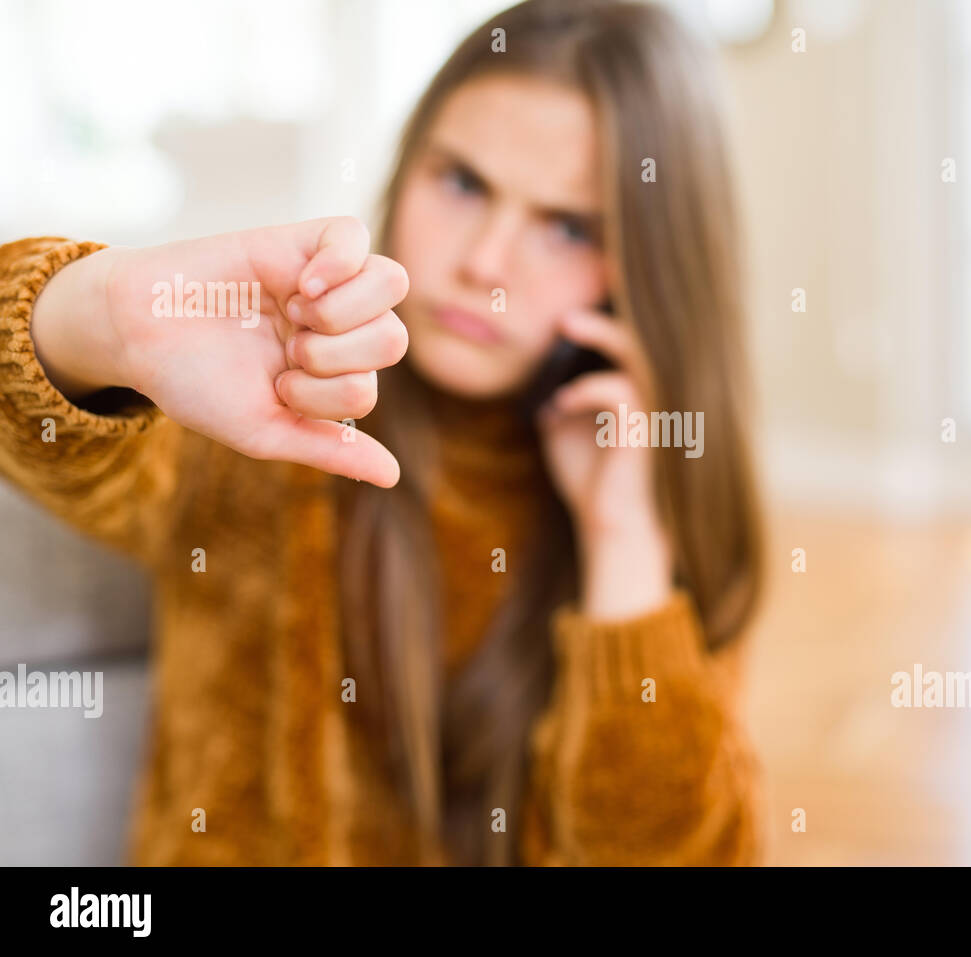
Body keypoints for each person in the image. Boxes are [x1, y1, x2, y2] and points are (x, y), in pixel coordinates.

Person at [0, 0, 766, 865]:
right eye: (464, 183)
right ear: (406, 168)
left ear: (649, 264)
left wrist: (623, 538)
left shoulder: (653, 485)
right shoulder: (275, 399)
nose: (486, 262)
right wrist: (99, 319)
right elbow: (59, 442)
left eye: (566, 227)